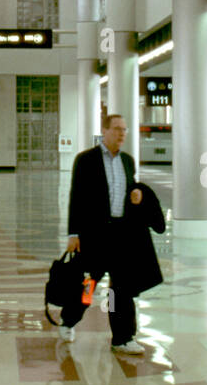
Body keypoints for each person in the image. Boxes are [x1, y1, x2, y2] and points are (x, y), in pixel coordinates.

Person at [60, 113, 165, 356]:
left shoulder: (128, 161)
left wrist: (137, 194)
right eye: (117, 129)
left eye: (125, 130)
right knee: (88, 284)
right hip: (94, 237)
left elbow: (131, 188)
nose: (122, 134)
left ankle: (122, 337)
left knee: (121, 290)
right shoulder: (86, 160)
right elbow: (77, 198)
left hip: (122, 236)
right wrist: (73, 233)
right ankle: (69, 320)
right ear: (105, 131)